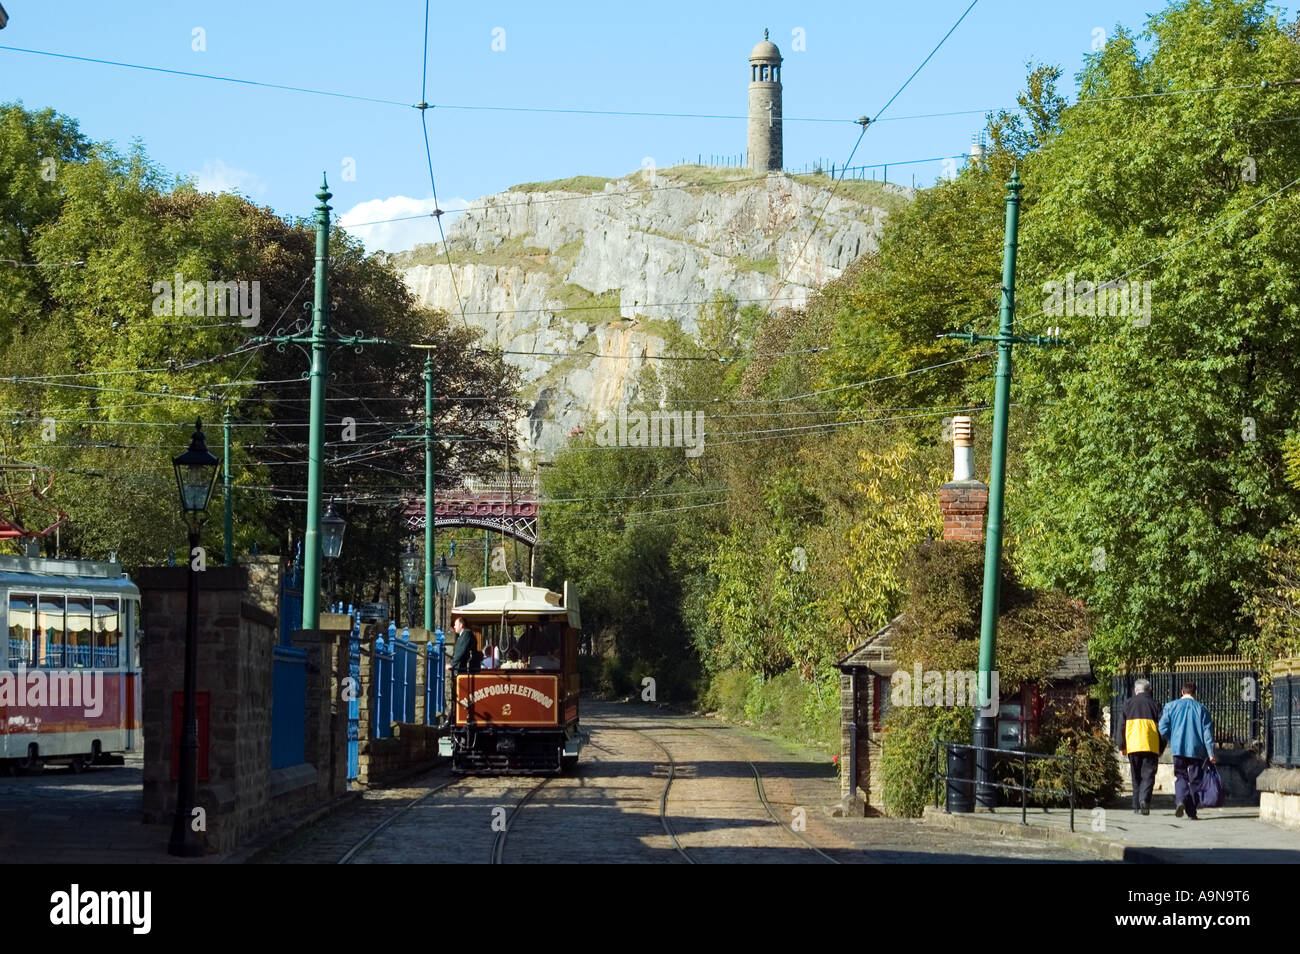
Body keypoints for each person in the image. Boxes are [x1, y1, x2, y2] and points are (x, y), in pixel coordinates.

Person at [1157, 681, 1216, 820]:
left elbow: (1162, 727)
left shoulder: (1171, 706)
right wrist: (1211, 753)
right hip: (1197, 749)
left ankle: (1180, 801)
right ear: (1194, 693)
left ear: (1182, 692)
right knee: (1195, 780)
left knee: (1181, 776)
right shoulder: (1202, 709)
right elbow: (1207, 734)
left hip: (1178, 748)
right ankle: (1192, 811)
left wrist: (1172, 737)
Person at [1118, 678, 1161, 815]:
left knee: (1136, 776)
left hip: (1133, 745)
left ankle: (1136, 805)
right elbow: (1163, 727)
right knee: (1148, 775)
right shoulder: (1155, 704)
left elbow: (1121, 726)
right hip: (1151, 745)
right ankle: (1144, 800)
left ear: (1136, 691)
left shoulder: (1128, 703)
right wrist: (1162, 745)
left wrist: (1121, 745)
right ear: (1149, 690)